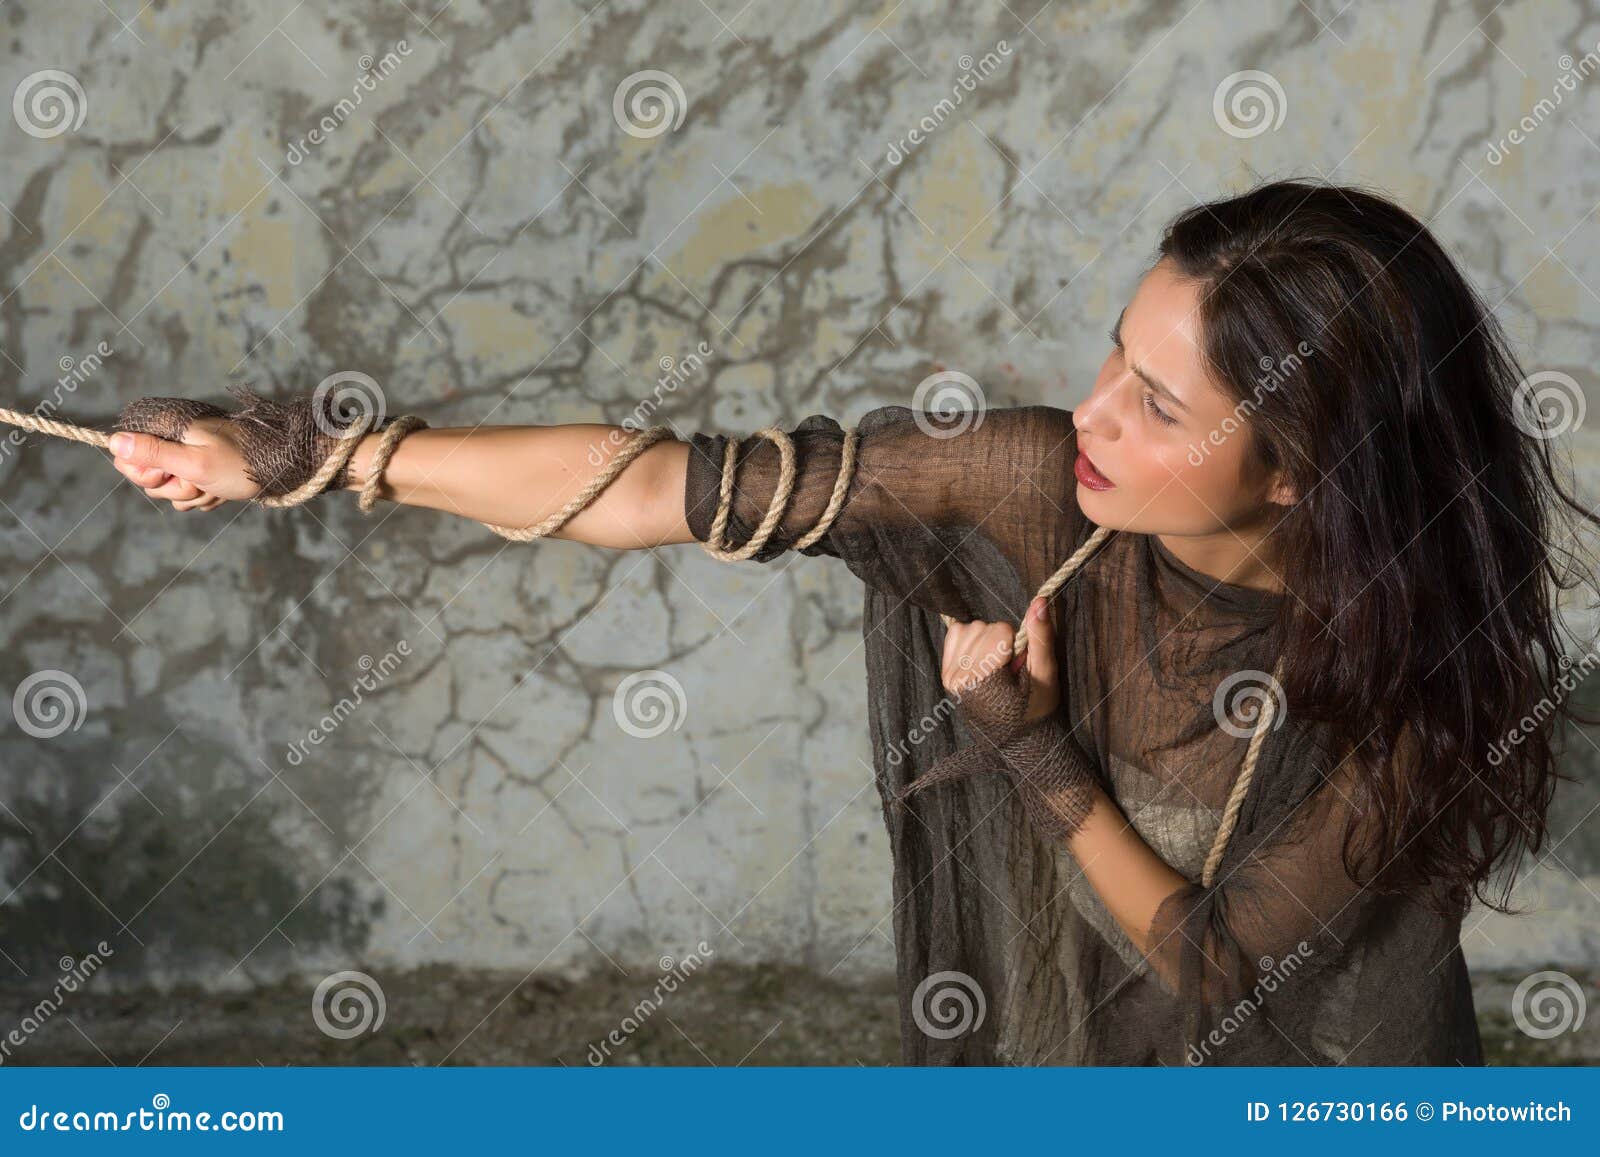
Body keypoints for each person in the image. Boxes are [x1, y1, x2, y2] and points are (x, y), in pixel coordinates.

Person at [105, 178, 1599, 1064]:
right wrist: (308, 455)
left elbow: (1220, 971)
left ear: (1301, 472)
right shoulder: (1031, 484)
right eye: (1111, 358)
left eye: (1155, 405)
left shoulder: (1425, 684)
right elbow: (654, 487)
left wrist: (1034, 752)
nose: (1090, 416)